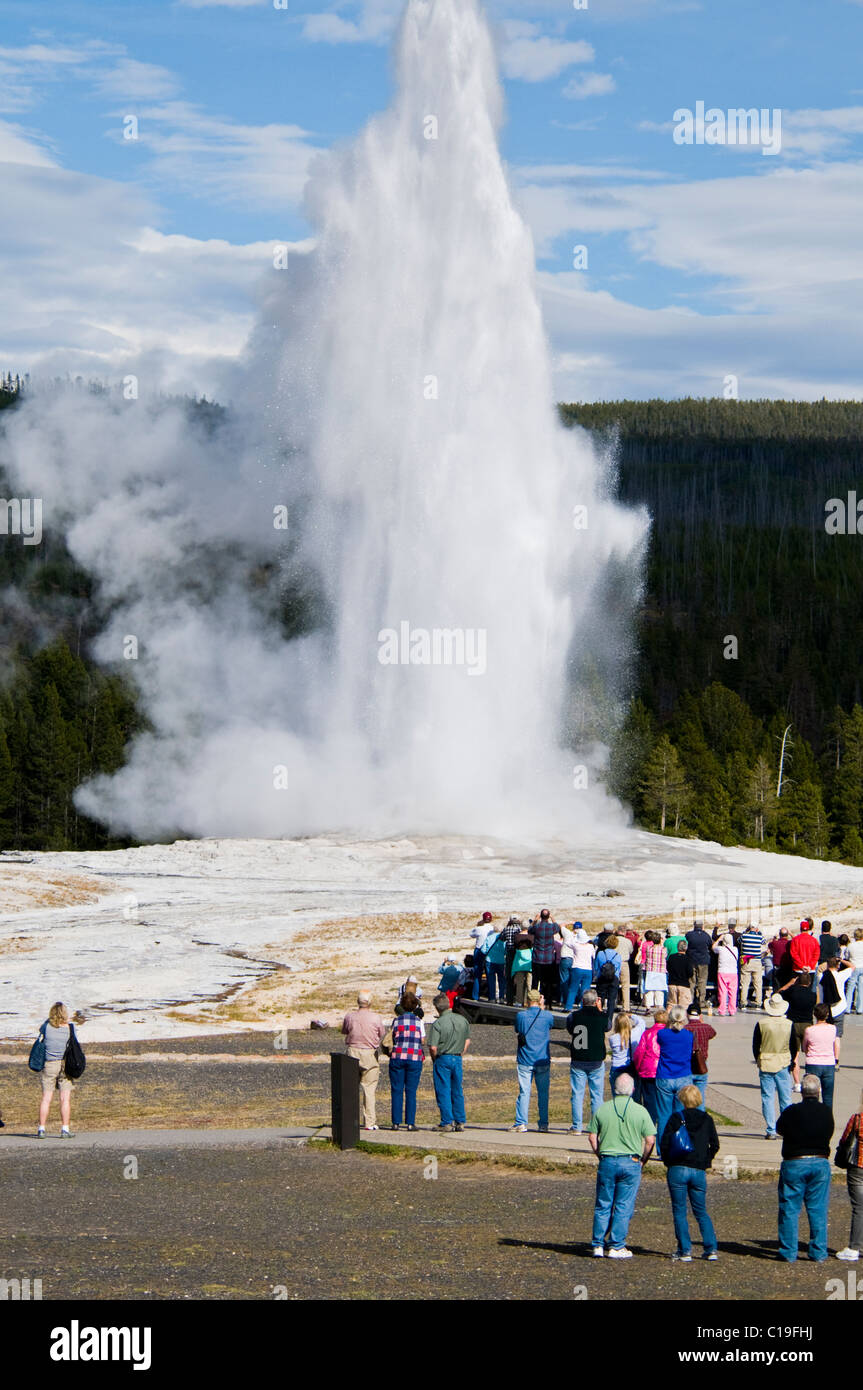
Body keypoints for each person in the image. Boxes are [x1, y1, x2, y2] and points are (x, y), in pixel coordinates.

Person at [588, 1073, 656, 1259]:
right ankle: (616, 1245)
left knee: (603, 1204)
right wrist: (643, 1160)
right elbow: (650, 1140)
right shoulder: (641, 1111)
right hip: (631, 1161)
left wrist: (599, 1154)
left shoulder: (602, 1109)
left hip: (608, 1160)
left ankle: (598, 1244)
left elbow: (592, 1137)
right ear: (633, 1090)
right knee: (623, 1205)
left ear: (614, 1089)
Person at [776, 1073, 834, 1262]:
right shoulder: (826, 1111)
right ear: (818, 1091)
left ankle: (788, 1251)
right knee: (818, 1208)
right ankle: (818, 1251)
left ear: (802, 1091)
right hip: (819, 1161)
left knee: (790, 1208)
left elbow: (779, 1129)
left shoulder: (792, 1111)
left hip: (795, 1161)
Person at [660, 1083, 720, 1261]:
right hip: (698, 1169)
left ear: (682, 1100)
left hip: (678, 1167)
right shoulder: (707, 1119)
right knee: (701, 1210)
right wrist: (705, 1160)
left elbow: (665, 1143)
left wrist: (669, 1161)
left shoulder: (676, 1118)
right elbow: (715, 1144)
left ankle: (685, 1250)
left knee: (679, 1210)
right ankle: (711, 1249)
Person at [753, 993, 799, 1140]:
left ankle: (771, 1129)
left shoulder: (762, 1024)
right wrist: (792, 1062)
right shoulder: (789, 1024)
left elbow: (756, 1045)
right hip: (783, 1061)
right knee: (785, 1098)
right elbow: (794, 1046)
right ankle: (787, 1128)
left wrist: (758, 1059)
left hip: (766, 1061)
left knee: (767, 1097)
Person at [36, 1002, 84, 1138]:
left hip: (49, 1064)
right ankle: (65, 1128)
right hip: (64, 1065)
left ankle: (41, 1128)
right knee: (65, 1099)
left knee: (46, 1098)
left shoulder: (46, 1027)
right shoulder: (69, 1028)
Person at [342, 991, 387, 1132]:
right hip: (369, 1054)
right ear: (370, 1002)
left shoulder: (350, 1016)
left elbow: (344, 1030)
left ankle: (349, 1120)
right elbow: (382, 1034)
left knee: (350, 1089)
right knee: (369, 1089)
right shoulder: (375, 1018)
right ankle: (369, 1122)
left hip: (353, 1051)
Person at [513, 989, 555, 1134]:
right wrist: (542, 1008)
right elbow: (550, 1025)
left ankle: (521, 1122)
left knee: (524, 1092)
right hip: (542, 1058)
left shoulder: (521, 1016)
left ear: (527, 1000)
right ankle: (543, 1123)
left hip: (525, 1058)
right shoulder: (547, 1016)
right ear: (540, 1000)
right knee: (543, 1093)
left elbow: (517, 1029)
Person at [427, 993, 470, 1133]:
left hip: (443, 1057)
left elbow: (433, 1047)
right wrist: (460, 1053)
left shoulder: (438, 1023)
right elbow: (467, 1040)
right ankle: (460, 1121)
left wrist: (435, 1059)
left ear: (437, 1008)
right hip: (457, 1057)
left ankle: (446, 1121)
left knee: (443, 1090)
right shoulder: (462, 1020)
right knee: (457, 1089)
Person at [566, 988, 608, 1134]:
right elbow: (607, 1026)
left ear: (583, 1002)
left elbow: (570, 1029)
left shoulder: (574, 1016)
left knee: (577, 1094)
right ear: (596, 1001)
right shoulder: (601, 1016)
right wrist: (600, 1009)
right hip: (596, 1059)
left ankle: (577, 1125)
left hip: (578, 1058)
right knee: (596, 1095)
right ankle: (595, 1126)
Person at [654, 1005, 695, 1140]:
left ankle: (662, 1149)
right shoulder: (689, 1035)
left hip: (665, 1075)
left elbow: (660, 1042)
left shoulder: (662, 1034)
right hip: (683, 1075)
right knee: (680, 1114)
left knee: (663, 1115)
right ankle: (679, 1144)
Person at [388, 992, 425, 1131]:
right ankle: (410, 1122)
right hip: (414, 1057)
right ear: (415, 1005)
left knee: (396, 1090)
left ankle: (395, 1122)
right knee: (411, 1091)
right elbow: (422, 1040)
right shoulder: (419, 1021)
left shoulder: (396, 1021)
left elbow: (392, 1037)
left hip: (398, 1056)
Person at [835, 1090, 863, 1261]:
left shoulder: (857, 1119)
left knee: (859, 1208)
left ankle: (854, 1247)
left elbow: (845, 1140)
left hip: (858, 1166)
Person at [796, 1002, 839, 1111]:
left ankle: (812, 1118)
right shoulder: (833, 1029)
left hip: (813, 1062)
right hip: (828, 1063)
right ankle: (828, 1120)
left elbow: (805, 1046)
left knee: (812, 1096)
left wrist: (808, 1053)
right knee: (828, 1097)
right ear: (827, 1015)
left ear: (814, 1015)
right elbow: (836, 1044)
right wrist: (836, 1059)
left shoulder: (809, 1030)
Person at [632, 1007, 668, 1124]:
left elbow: (639, 1052)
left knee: (649, 1099)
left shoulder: (647, 1034)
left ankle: (650, 1123)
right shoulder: (669, 1034)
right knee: (663, 1099)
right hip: (664, 1070)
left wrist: (638, 1067)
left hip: (648, 1069)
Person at [780, 968, 818, 1064]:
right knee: (809, 1052)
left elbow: (778, 994)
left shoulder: (792, 991)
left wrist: (790, 983)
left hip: (793, 1023)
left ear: (797, 981)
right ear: (809, 982)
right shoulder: (813, 995)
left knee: (794, 1054)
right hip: (807, 1024)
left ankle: (796, 1077)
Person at [685, 1002, 716, 1107]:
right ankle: (700, 1117)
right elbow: (713, 1033)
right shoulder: (706, 1028)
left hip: (688, 1064)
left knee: (686, 1095)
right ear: (700, 1015)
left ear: (687, 1014)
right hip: (702, 1063)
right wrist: (701, 1022)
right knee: (700, 1095)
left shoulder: (685, 1029)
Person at [609, 1011, 646, 1097]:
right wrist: (631, 1015)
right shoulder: (635, 1034)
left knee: (617, 1094)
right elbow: (641, 1022)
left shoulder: (612, 1039)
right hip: (631, 1067)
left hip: (617, 1067)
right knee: (634, 1096)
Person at [528, 909, 561, 1003]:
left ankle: (533, 1000)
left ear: (541, 916)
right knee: (548, 982)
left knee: (535, 981)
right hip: (548, 959)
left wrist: (534, 920)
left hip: (537, 958)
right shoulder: (552, 927)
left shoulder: (537, 927)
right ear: (548, 917)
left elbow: (529, 930)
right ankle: (548, 1001)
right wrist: (553, 918)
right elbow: (558, 928)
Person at [594, 933, 622, 1032]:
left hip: (602, 977)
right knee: (611, 1000)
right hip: (614, 978)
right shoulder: (617, 955)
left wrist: (597, 976)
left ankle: (599, 1016)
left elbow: (596, 967)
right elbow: (618, 969)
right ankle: (609, 1020)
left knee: (600, 997)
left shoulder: (601, 953)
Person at [821, 956, 853, 1040]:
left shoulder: (822, 976)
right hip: (839, 1007)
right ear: (838, 965)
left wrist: (828, 964)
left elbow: (820, 969)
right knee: (837, 1036)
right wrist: (841, 960)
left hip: (826, 1008)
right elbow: (852, 966)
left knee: (827, 1035)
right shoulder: (841, 975)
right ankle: (836, 1052)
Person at [636, 931, 667, 1010]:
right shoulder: (663, 949)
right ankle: (660, 1006)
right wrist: (662, 943)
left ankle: (648, 1007)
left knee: (649, 989)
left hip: (650, 970)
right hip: (660, 971)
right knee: (659, 990)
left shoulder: (649, 949)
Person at [685, 920, 712, 1009]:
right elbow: (710, 945)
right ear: (702, 926)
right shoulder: (706, 935)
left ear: (694, 926)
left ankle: (690, 1000)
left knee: (691, 981)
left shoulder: (689, 935)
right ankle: (701, 1001)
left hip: (691, 960)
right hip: (703, 961)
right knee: (702, 981)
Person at [739, 923, 767, 1009]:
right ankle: (758, 1002)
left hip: (746, 961)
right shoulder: (759, 937)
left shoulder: (744, 936)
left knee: (745, 983)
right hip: (757, 961)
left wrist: (746, 931)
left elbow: (738, 940)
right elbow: (764, 942)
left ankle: (743, 1002)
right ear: (756, 928)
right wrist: (759, 932)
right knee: (758, 983)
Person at [567, 925, 595, 1010]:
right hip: (587, 969)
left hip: (577, 968)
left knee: (573, 988)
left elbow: (567, 942)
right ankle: (584, 1007)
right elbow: (593, 957)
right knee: (585, 990)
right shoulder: (591, 947)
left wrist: (574, 935)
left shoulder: (576, 945)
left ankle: (568, 1006)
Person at [470, 912, 496, 1001]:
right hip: (490, 950)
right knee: (490, 974)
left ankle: (475, 996)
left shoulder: (479, 928)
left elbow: (471, 934)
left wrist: (478, 925)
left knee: (478, 974)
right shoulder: (493, 928)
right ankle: (491, 996)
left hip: (479, 949)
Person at [712, 931, 739, 1016]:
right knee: (733, 992)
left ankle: (722, 1010)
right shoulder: (735, 949)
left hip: (722, 971)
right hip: (733, 972)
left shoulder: (721, 949)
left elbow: (713, 947)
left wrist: (719, 939)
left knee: (722, 991)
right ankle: (732, 1010)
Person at [501, 917, 525, 1004]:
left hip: (509, 953)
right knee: (519, 976)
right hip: (518, 953)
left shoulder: (506, 928)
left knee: (509, 977)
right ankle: (521, 999)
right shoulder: (519, 929)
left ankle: (509, 999)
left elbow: (502, 938)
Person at [667, 941, 694, 1008]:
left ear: (677, 947)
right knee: (684, 1006)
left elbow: (668, 968)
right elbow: (690, 973)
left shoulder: (671, 957)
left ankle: (666, 1017)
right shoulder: (688, 959)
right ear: (686, 948)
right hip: (684, 985)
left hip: (672, 984)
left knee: (670, 1004)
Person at [484, 928, 508, 1003]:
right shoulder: (503, 939)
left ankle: (492, 998)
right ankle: (501, 997)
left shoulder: (488, 938)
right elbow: (506, 951)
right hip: (501, 961)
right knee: (501, 980)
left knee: (491, 980)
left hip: (490, 961)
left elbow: (483, 950)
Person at [510, 932, 533, 1007]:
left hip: (519, 966)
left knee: (520, 984)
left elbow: (515, 962)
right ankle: (529, 1001)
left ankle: (519, 1001)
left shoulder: (518, 951)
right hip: (529, 966)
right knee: (529, 984)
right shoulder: (531, 951)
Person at [845, 928, 863, 1015]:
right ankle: (860, 1008)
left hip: (853, 967)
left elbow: (847, 956)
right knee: (861, 988)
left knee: (850, 988)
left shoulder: (851, 945)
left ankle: (847, 1008)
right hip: (862, 966)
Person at [616, 930, 635, 1011]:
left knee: (614, 984)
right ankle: (626, 1006)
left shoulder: (614, 940)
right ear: (624, 933)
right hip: (624, 962)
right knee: (625, 985)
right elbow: (631, 951)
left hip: (615, 962)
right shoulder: (627, 941)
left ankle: (613, 1004)